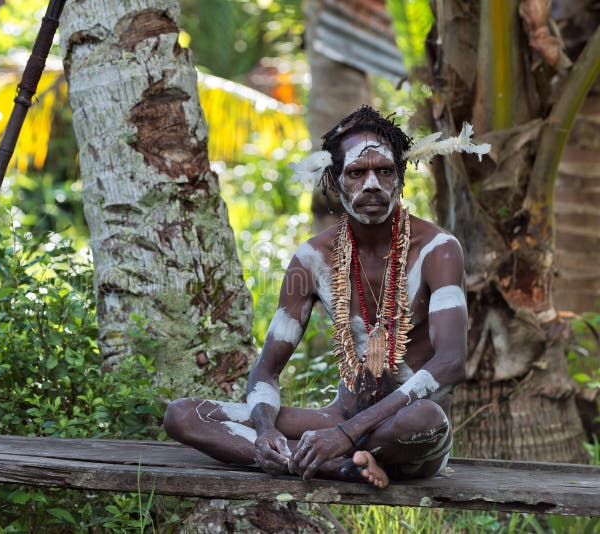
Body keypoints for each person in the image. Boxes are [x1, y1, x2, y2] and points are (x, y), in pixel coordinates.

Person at [164, 106, 485, 487]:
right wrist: (265, 429)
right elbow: (266, 369)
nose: (371, 185)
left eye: (384, 171)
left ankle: (332, 456)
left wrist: (347, 434)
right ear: (334, 180)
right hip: (337, 421)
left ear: (400, 178)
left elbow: (452, 361)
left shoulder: (437, 249)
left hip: (405, 431)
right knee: (184, 415)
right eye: (356, 173)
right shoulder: (312, 259)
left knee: (425, 420)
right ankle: (340, 467)